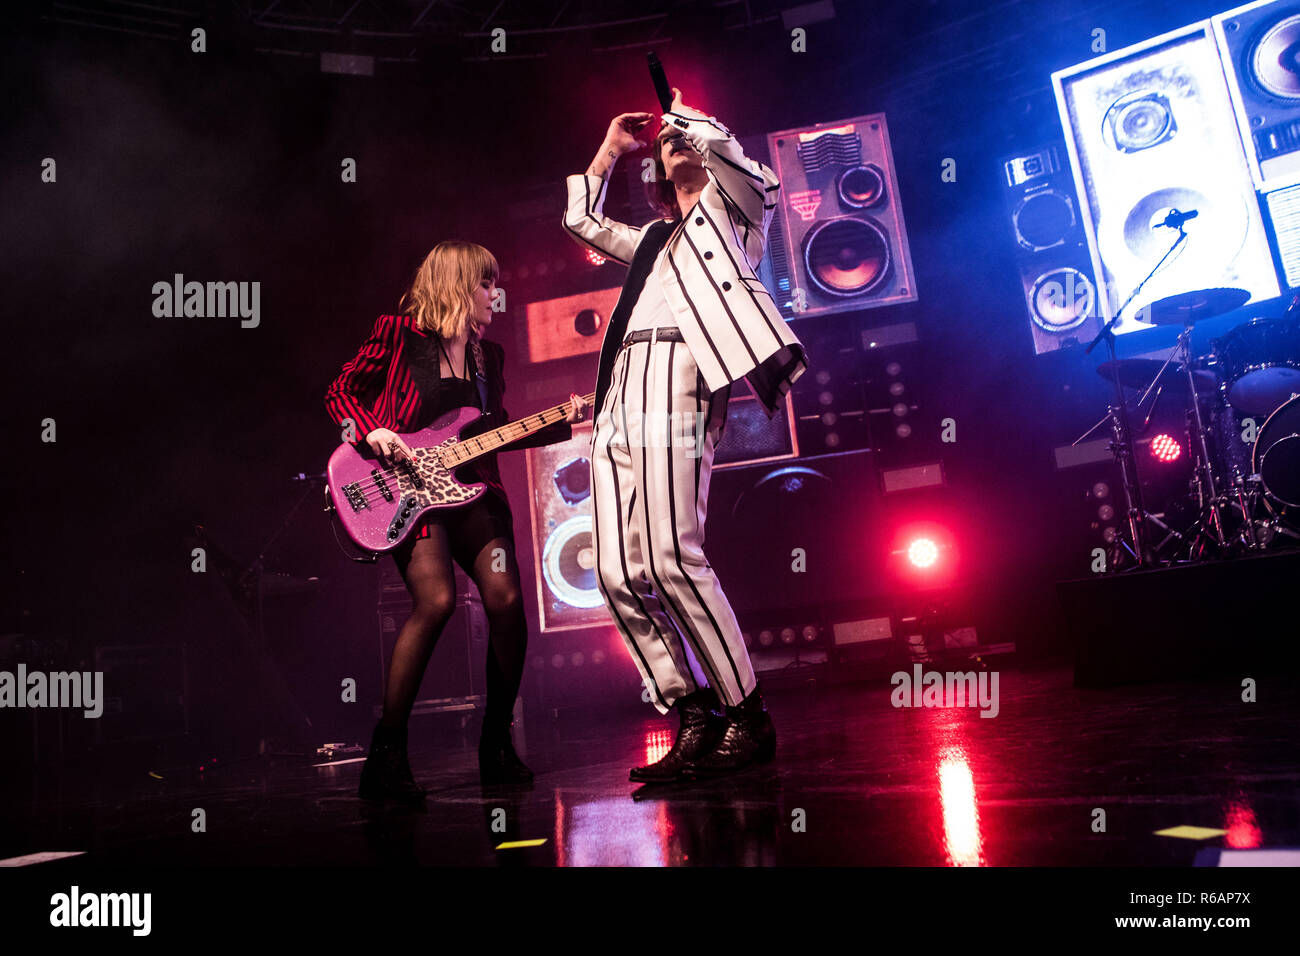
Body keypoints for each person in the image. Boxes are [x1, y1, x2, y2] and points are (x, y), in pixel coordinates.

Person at [561, 88, 807, 782]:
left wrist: (689, 117)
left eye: (683, 138)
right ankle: (693, 711)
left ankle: (748, 715)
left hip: (680, 374)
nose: (673, 143)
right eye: (665, 142)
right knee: (616, 571)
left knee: (671, 556)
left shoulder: (736, 213)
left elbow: (741, 163)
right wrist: (610, 149)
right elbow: (580, 220)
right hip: (619, 387)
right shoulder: (652, 239)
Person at [324, 240, 589, 799]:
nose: (496, 293)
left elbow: (496, 431)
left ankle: (496, 743)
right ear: (457, 284)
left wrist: (566, 420)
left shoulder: (488, 357)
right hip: (406, 488)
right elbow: (340, 392)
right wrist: (371, 431)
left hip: (475, 489)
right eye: (486, 283)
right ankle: (387, 755)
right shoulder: (398, 334)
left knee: (507, 601)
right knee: (437, 601)